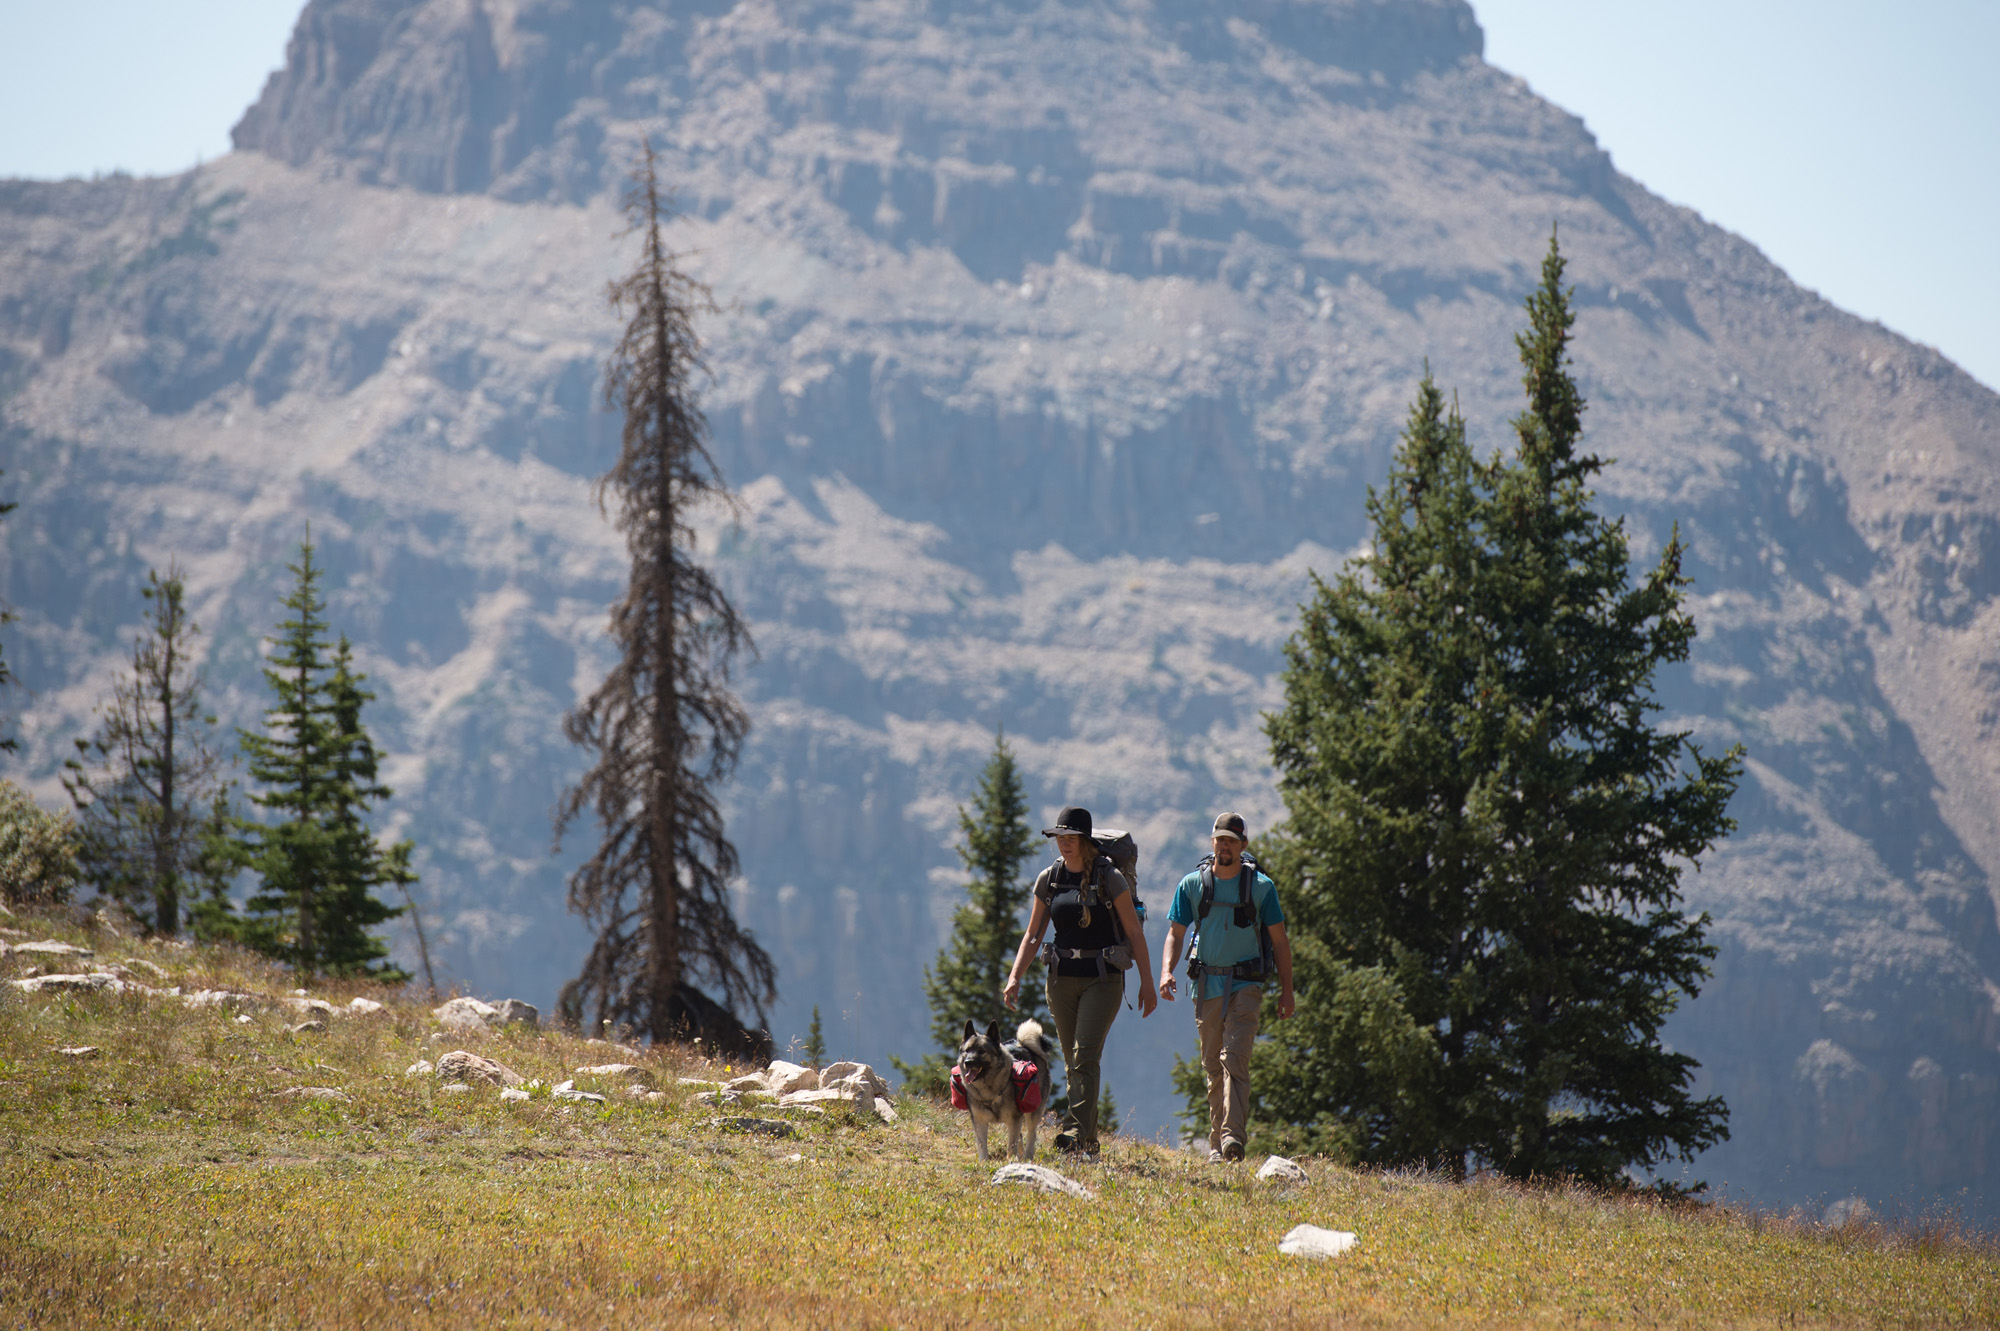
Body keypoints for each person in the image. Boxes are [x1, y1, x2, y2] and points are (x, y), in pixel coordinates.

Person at [1002, 805, 1156, 1156]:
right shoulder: (1050, 879)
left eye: (1071, 838)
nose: (1064, 844)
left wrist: (1147, 982)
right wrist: (1015, 978)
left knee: (1084, 1056)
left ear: (1085, 841)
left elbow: (1133, 931)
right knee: (1074, 1062)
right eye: (1060, 838)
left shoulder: (1109, 878)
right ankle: (1088, 1142)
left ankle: (1071, 1135)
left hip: (1102, 981)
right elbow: (1033, 935)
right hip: (1060, 981)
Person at [1158, 811, 1293, 1162]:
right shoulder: (1192, 885)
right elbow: (1176, 932)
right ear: (1212, 842)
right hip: (1206, 985)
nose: (1225, 845)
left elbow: (1279, 942)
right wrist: (1166, 972)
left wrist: (1287, 990)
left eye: (1231, 840)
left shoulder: (1262, 888)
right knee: (1212, 1067)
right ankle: (1217, 1144)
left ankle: (1234, 1139)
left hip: (1246, 984)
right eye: (1220, 839)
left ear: (1243, 845)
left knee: (1235, 1059)